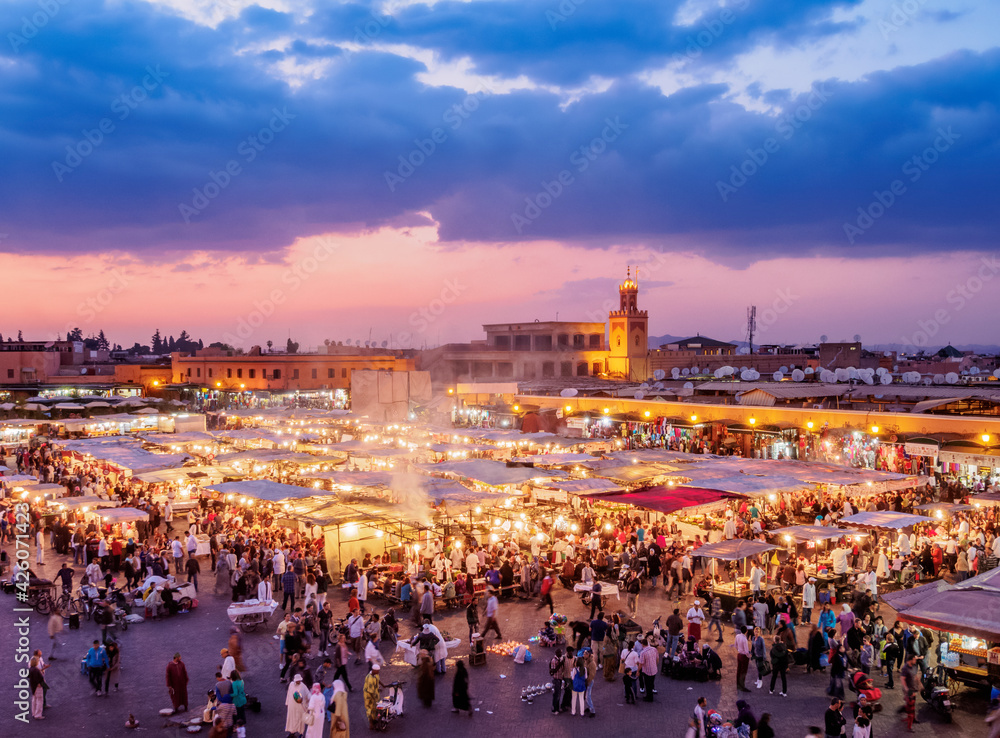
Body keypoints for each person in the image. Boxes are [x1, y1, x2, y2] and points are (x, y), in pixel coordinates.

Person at [364, 664, 382, 730]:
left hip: (375, 692)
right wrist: (374, 698)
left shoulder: (375, 674)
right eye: (377, 671)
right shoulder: (369, 678)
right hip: (369, 695)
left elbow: (378, 680)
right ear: (374, 670)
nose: (378, 672)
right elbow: (370, 691)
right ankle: (371, 723)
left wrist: (382, 685)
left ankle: (374, 719)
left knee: (376, 707)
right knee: (370, 708)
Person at [29, 655, 46, 720]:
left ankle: (34, 713)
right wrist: (39, 684)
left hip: (33, 687)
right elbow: (38, 678)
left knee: (34, 699)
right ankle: (38, 715)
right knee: (39, 700)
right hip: (38, 687)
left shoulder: (31, 669)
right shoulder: (36, 670)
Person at [735, 626, 751, 692]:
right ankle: (742, 686)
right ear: (746, 631)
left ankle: (738, 684)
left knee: (739, 670)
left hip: (739, 654)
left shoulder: (737, 636)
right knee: (743, 671)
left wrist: (739, 650)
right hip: (744, 656)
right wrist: (749, 656)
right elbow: (746, 651)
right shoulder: (745, 639)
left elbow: (735, 645)